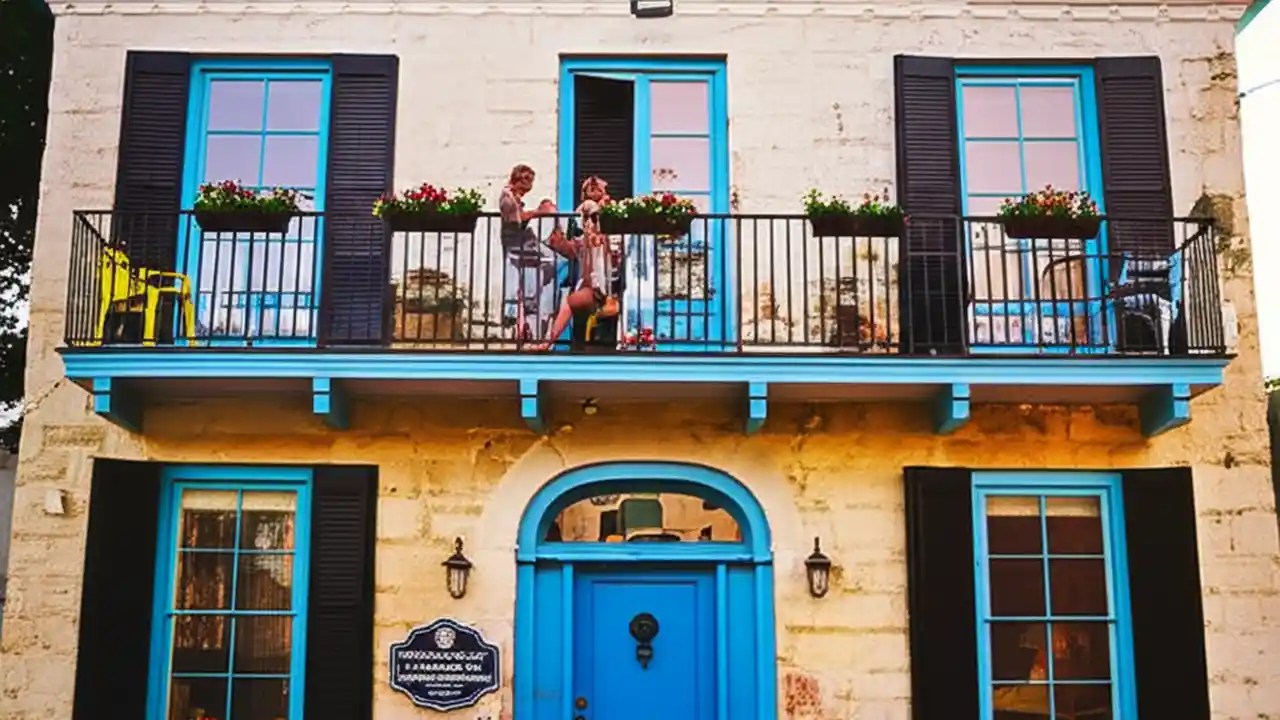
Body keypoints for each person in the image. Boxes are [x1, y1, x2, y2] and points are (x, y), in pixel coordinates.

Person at [532, 176, 619, 350]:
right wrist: (556, 239)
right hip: (586, 280)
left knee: (571, 303)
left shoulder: (607, 216)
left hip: (600, 283)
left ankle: (548, 342)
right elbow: (572, 250)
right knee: (576, 313)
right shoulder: (581, 225)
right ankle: (573, 348)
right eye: (589, 187)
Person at [499, 164, 557, 342]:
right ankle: (523, 319)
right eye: (527, 181)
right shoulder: (507, 197)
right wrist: (540, 212)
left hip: (522, 247)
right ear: (519, 180)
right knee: (547, 261)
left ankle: (532, 320)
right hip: (518, 247)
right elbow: (516, 218)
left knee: (544, 265)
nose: (530, 186)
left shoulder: (513, 196)